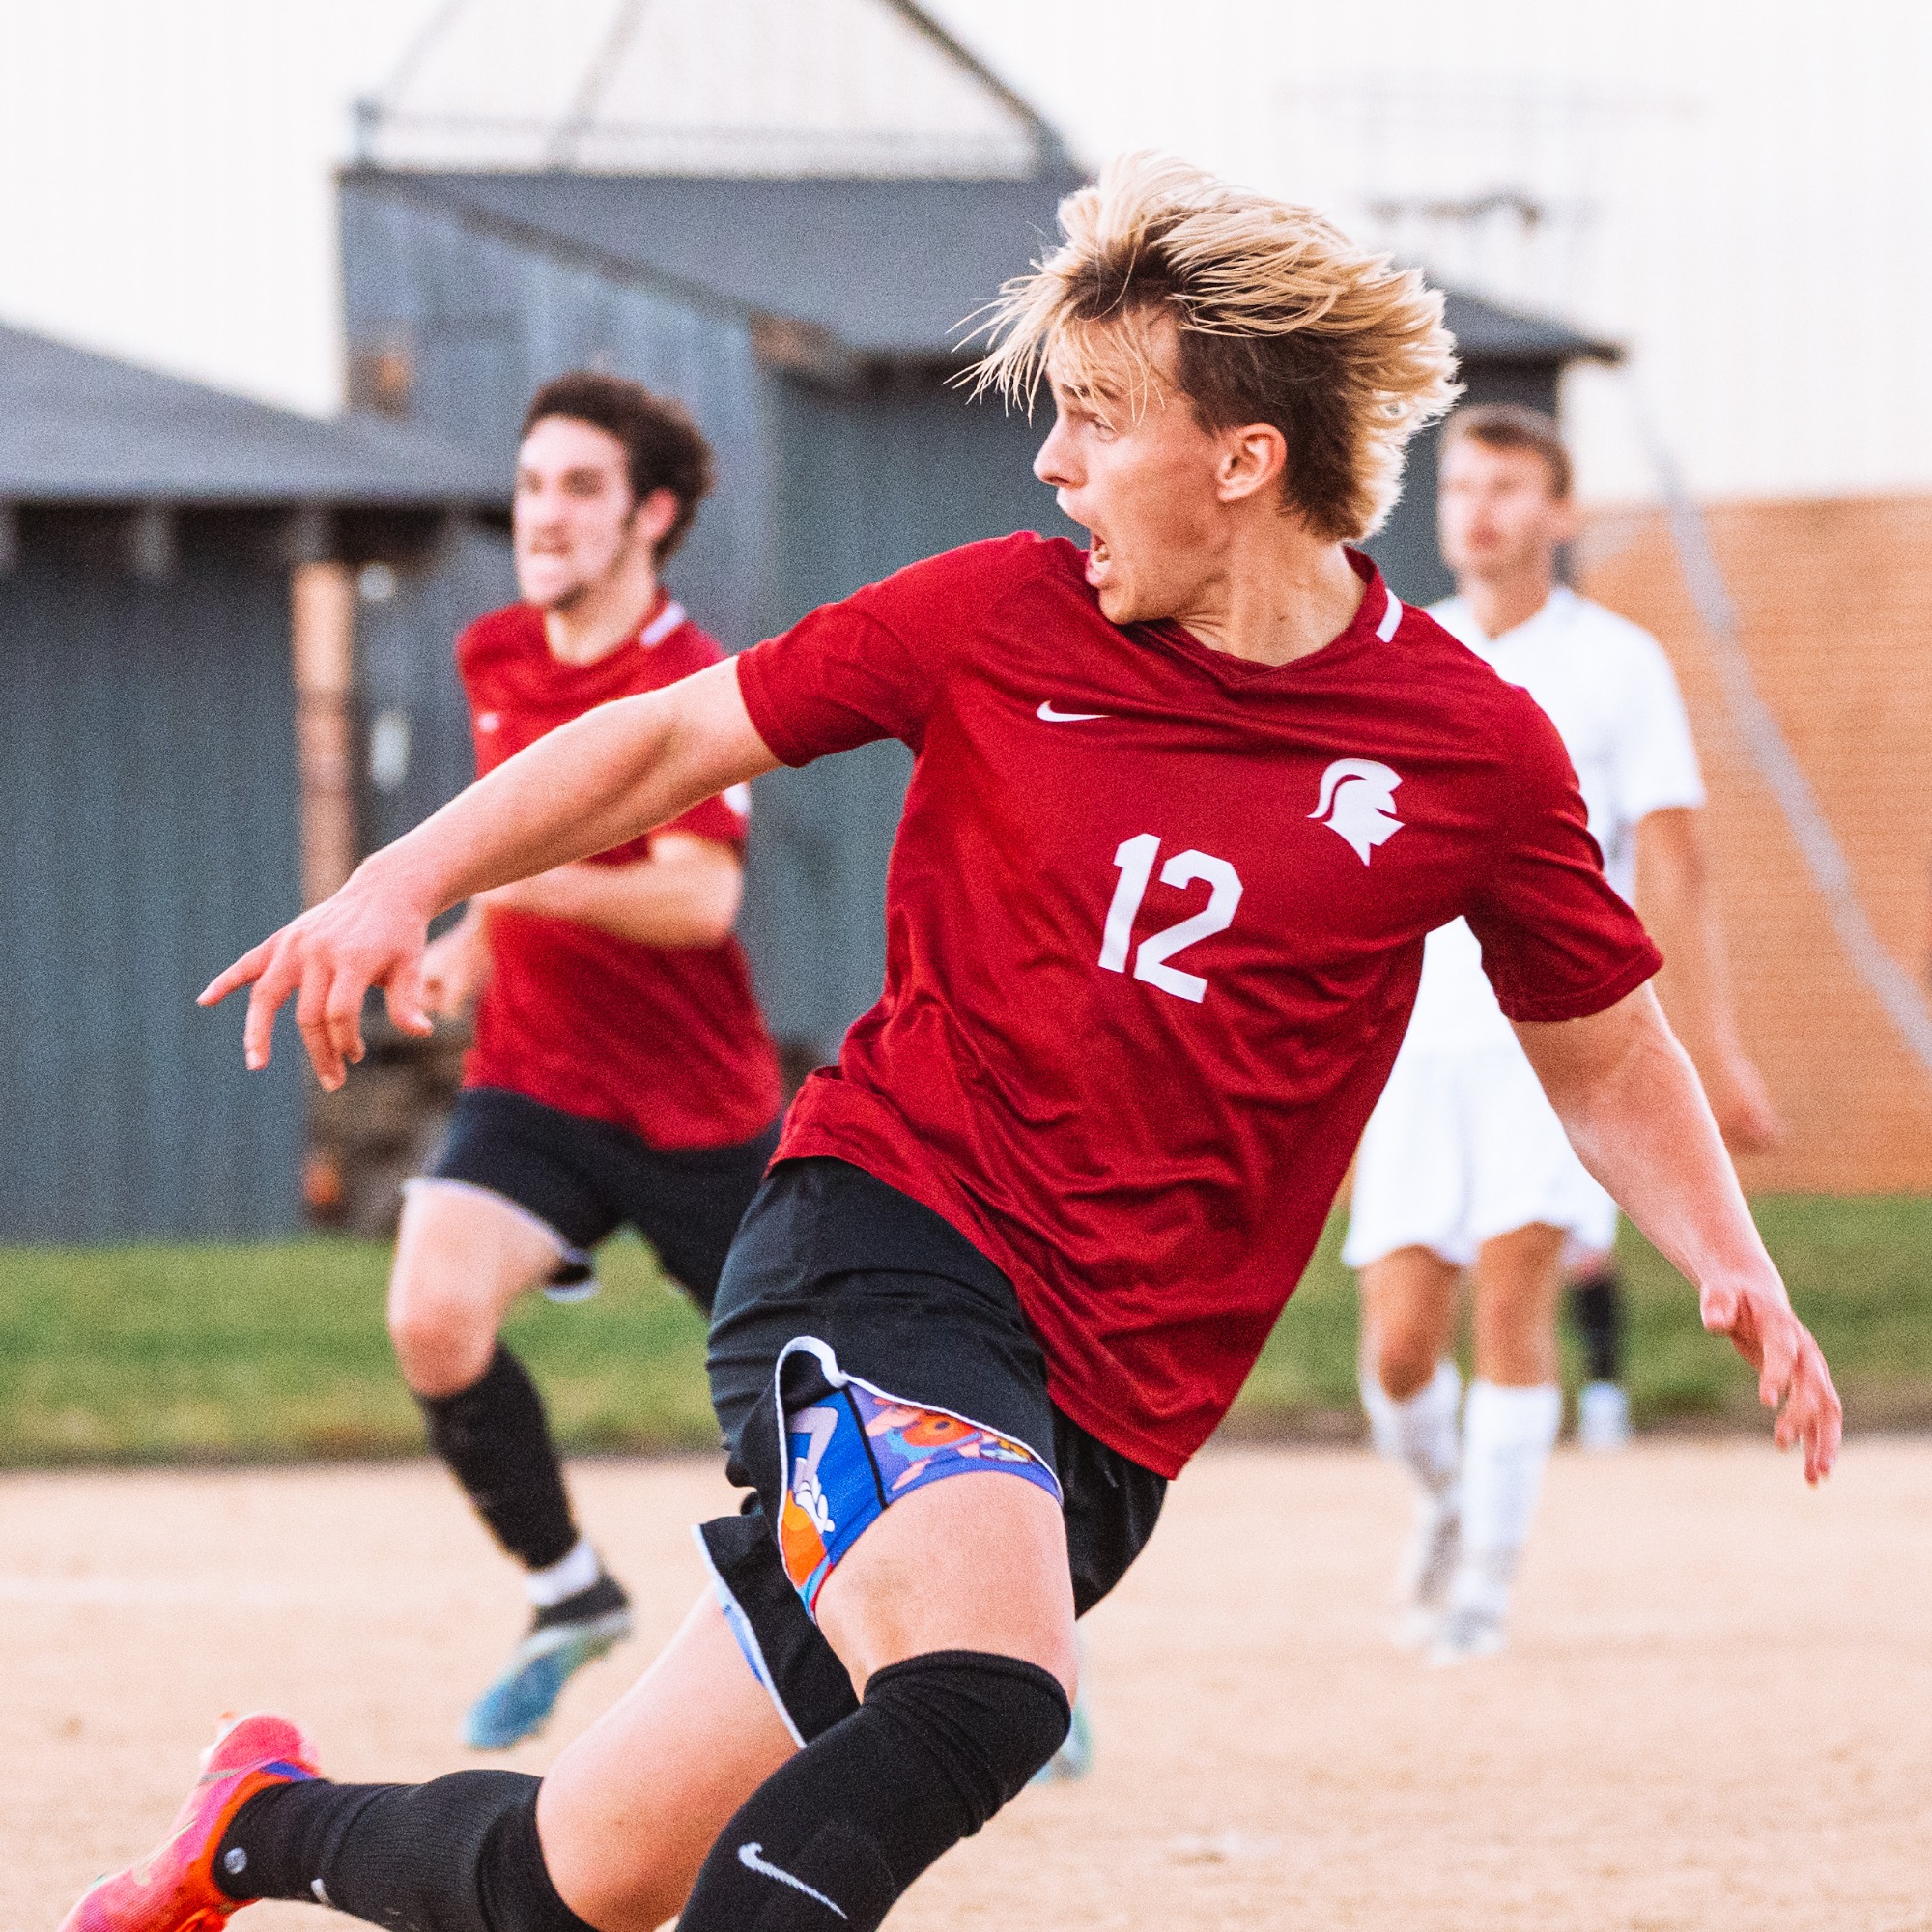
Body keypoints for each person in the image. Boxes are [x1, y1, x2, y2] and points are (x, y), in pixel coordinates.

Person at [67, 155, 1837, 1932]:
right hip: (891, 1242)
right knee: (987, 1690)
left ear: (1244, 460)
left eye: (1097, 418)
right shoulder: (1000, 615)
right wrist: (401, 875)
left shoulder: (1473, 750)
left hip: (1117, 1402)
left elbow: (1604, 1050)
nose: (1053, 464)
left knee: (572, 1876)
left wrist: (1728, 1254)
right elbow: (664, 744)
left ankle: (253, 1830)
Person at [1345, 403, 1783, 1666]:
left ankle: (1482, 1594)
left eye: (1506, 486)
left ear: (1559, 511)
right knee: (1398, 1350)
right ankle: (1444, 1504)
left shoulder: (1619, 665)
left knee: (1514, 1306)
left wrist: (1710, 1050)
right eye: (1460, 486)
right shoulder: (1402, 649)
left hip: (1550, 1042)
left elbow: (1677, 865)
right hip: (1413, 1043)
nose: (1477, 509)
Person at [384, 372, 783, 1748]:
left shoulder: (695, 680)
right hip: (537, 1080)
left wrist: (508, 878)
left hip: (697, 1109)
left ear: (649, 516)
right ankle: (571, 1594)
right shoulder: (495, 654)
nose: (543, 514)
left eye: (580, 488)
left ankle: (986, 1632)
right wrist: (473, 949)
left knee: (813, 1409)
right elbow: (513, 858)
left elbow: (698, 901)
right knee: (433, 1316)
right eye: (531, 484)